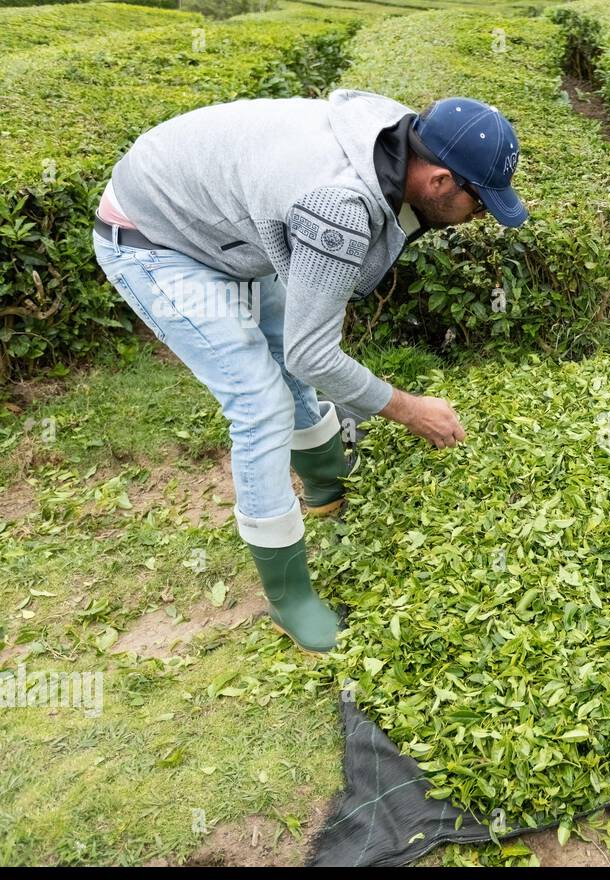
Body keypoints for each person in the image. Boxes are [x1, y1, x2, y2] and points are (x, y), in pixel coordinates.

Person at [93, 90, 528, 652]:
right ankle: (290, 597)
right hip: (156, 236)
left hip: (220, 219)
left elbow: (300, 346)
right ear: (441, 181)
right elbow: (314, 356)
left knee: (285, 342)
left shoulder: (397, 136)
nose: (479, 217)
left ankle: (326, 483)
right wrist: (410, 410)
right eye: (480, 203)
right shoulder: (338, 209)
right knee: (260, 403)